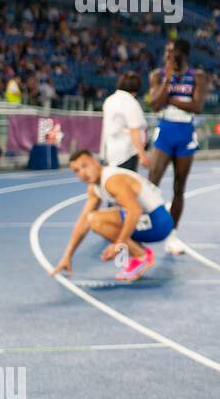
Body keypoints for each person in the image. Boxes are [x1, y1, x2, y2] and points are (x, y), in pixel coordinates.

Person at [50, 149, 173, 283]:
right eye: (76, 171)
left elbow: (135, 211)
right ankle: (138, 250)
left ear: (95, 162)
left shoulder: (112, 180)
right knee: (92, 218)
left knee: (95, 220)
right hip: (147, 219)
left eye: (84, 166)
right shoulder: (94, 187)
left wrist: (119, 244)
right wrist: (67, 256)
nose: (82, 173)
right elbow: (82, 222)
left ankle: (141, 256)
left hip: (159, 223)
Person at [146, 37, 207, 255]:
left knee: (179, 188)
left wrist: (170, 100)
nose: (167, 56)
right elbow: (154, 104)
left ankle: (171, 235)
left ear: (182, 53)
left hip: (185, 133)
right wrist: (168, 80)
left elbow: (197, 106)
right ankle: (145, 228)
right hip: (165, 130)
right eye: (166, 52)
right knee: (151, 184)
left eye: (171, 52)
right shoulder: (158, 75)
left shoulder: (197, 76)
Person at [100, 72, 148, 172]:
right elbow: (134, 131)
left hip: (112, 151)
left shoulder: (109, 100)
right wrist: (142, 155)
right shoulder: (130, 103)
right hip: (127, 153)